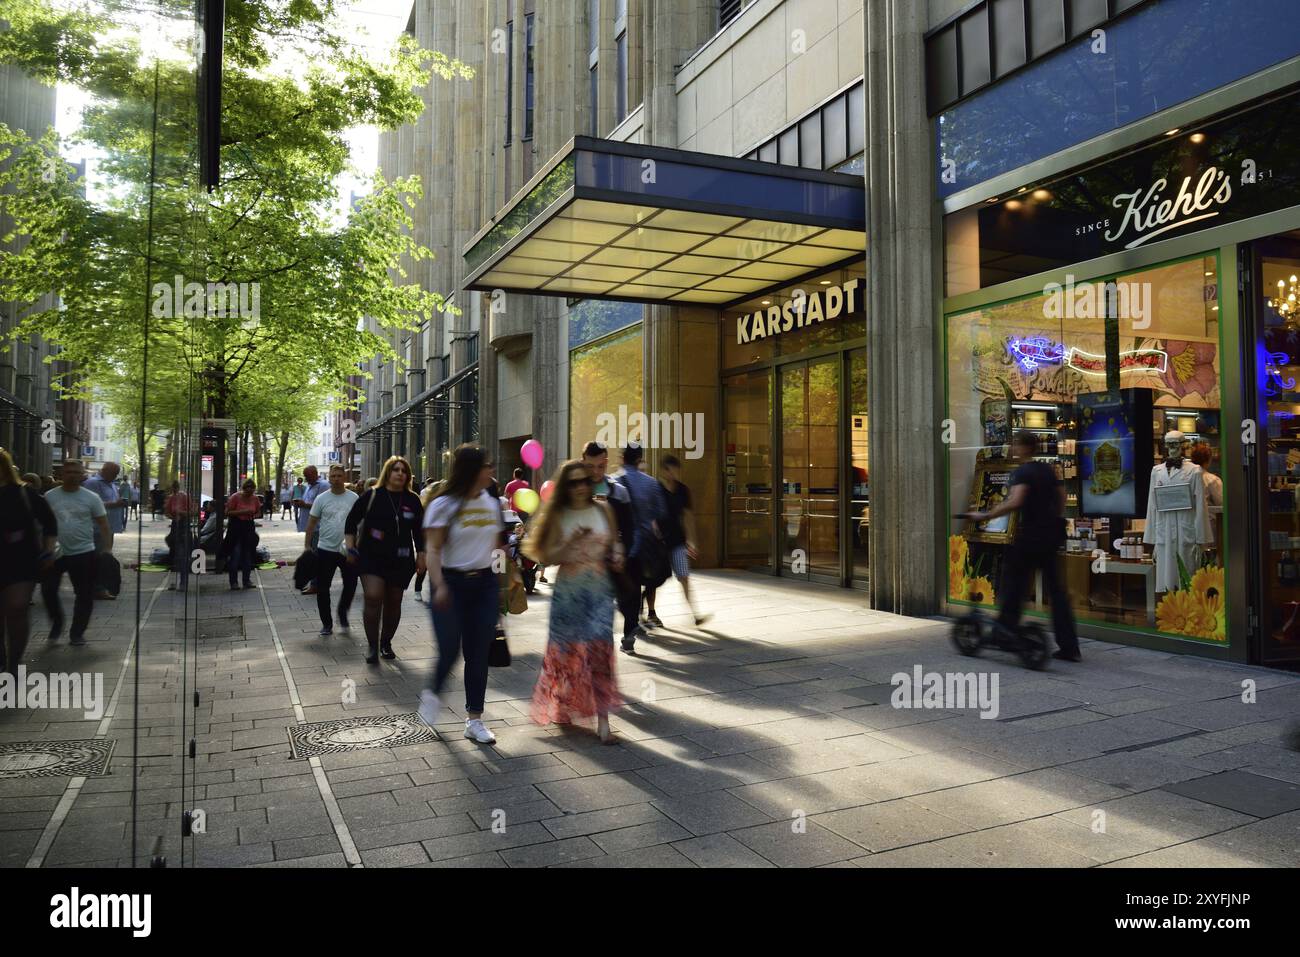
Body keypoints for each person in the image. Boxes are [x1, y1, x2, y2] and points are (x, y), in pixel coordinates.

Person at [523, 459, 623, 744]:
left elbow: (615, 542)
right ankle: (563, 705)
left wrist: (617, 552)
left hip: (600, 592)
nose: (580, 486)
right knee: (566, 656)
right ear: (565, 486)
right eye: (574, 482)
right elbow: (545, 557)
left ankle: (603, 721)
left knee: (600, 653)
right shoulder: (558, 515)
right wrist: (570, 544)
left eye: (584, 480)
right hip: (569, 594)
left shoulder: (603, 509)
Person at [967, 430, 1081, 662]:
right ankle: (1069, 647)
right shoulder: (1048, 470)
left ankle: (1005, 632)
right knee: (1057, 592)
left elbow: (1016, 501)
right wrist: (1050, 518)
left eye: (1015, 445)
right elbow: (1061, 496)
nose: (1013, 449)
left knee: (1014, 584)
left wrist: (985, 515)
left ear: (1022, 447)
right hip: (1051, 535)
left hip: (1030, 537)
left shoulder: (1023, 472)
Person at [418, 444, 502, 744]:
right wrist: (439, 585)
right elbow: (434, 550)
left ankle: (474, 720)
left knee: (478, 653)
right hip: (451, 585)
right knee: (450, 650)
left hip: (484, 585)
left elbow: (496, 547)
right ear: (471, 470)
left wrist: (500, 585)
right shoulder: (444, 505)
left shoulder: (491, 504)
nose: (491, 471)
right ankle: (432, 694)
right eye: (486, 466)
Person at [344, 456, 424, 665]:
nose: (400, 473)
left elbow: (419, 531)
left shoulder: (413, 499)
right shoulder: (372, 495)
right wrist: (350, 547)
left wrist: (422, 555)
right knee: (373, 596)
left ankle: (385, 642)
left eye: (403, 471)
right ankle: (372, 645)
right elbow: (351, 521)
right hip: (371, 557)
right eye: (395, 469)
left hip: (401, 559)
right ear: (387, 473)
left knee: (394, 602)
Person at [0, 450, 58, 673]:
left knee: (16, 607)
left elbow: (50, 523)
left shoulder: (25, 494)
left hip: (21, 560)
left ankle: (14, 662)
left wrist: (48, 551)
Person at [41, 460, 110, 646]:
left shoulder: (91, 498)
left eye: (76, 472)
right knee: (48, 590)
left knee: (84, 594)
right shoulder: (49, 496)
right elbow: (42, 524)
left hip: (83, 551)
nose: (72, 475)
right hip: (55, 553)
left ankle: (77, 633)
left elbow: (104, 525)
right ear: (62, 474)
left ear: (82, 475)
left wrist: (107, 550)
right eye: (68, 471)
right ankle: (57, 623)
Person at [612, 442, 666, 654]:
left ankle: (626, 617)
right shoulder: (652, 484)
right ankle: (629, 637)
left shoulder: (614, 482)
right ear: (639, 459)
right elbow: (661, 513)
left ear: (622, 458)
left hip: (618, 547)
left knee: (620, 591)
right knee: (634, 591)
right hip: (642, 547)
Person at [646, 455, 711, 627]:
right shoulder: (655, 489)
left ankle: (695, 614)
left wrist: (692, 541)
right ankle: (651, 612)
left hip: (677, 542)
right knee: (655, 579)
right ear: (664, 470)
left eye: (677, 471)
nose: (674, 474)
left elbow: (688, 516)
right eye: (671, 470)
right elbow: (649, 515)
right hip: (658, 543)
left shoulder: (683, 490)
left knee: (684, 577)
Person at [305, 464, 359, 637]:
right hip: (325, 549)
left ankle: (342, 612)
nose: (336, 478)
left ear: (345, 477)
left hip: (347, 550)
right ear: (329, 478)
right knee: (322, 587)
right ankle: (326, 623)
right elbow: (311, 524)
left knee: (351, 584)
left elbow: (361, 523)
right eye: (333, 476)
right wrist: (307, 546)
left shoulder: (354, 498)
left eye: (339, 476)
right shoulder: (321, 499)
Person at [83, 461, 126, 599]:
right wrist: (115, 504)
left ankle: (100, 586)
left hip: (109, 528)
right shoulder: (92, 483)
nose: (116, 476)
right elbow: (90, 504)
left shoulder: (111, 484)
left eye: (117, 473)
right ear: (105, 471)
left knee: (104, 557)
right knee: (99, 558)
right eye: (114, 473)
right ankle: (97, 588)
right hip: (97, 528)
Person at [223, 479, 262, 590]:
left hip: (248, 526)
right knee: (235, 554)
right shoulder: (235, 497)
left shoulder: (255, 498)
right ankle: (233, 582)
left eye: (252, 491)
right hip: (236, 527)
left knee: (247, 555)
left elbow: (258, 511)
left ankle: (246, 580)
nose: (249, 494)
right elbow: (227, 512)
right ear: (244, 489)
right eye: (247, 492)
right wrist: (243, 512)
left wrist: (254, 515)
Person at [413, 478, 446, 602]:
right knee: (424, 567)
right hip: (427, 542)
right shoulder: (425, 508)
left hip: (442, 543)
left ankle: (438, 588)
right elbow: (419, 529)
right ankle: (417, 589)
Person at [164, 480, 197, 591]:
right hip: (176, 525)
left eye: (175, 487)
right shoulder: (171, 498)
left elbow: (192, 512)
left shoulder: (185, 496)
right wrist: (173, 517)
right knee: (177, 554)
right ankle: (178, 580)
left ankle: (183, 581)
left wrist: (181, 514)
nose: (174, 490)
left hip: (184, 524)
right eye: (173, 488)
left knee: (182, 555)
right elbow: (167, 512)